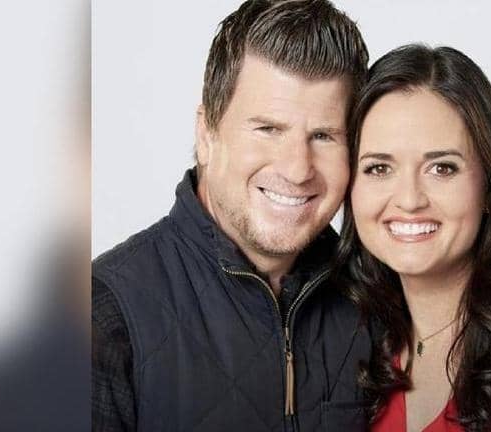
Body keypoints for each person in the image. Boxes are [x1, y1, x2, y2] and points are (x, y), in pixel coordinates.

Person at [92, 1, 372, 431]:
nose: (297, 169)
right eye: (268, 129)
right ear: (206, 135)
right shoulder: (102, 315)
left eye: (323, 136)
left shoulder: (375, 296)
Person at [336, 45, 491, 431]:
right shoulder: (349, 352)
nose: (410, 200)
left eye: (442, 168)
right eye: (379, 168)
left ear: (489, 186)